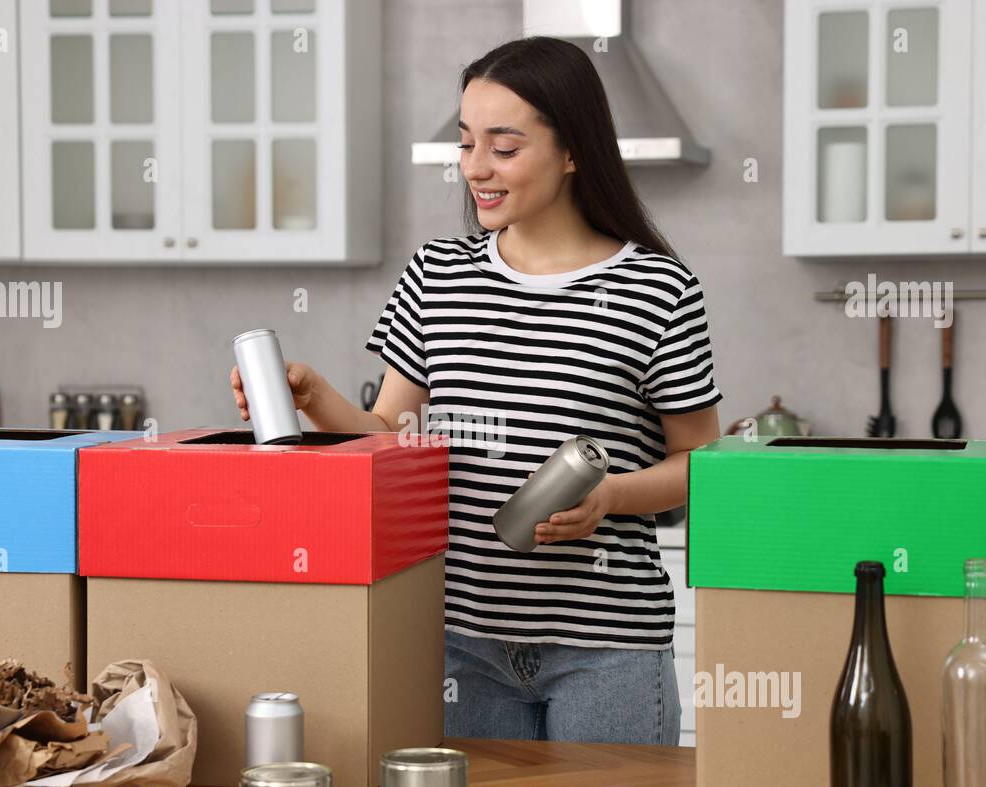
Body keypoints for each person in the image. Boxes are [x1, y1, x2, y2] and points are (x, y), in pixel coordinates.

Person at [231, 36, 722, 746]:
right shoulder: (438, 275)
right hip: (460, 646)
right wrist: (313, 399)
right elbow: (392, 440)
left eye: (504, 146)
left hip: (605, 650)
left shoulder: (658, 289)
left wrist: (611, 495)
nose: (475, 169)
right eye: (466, 144)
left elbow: (701, 468)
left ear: (573, 150)